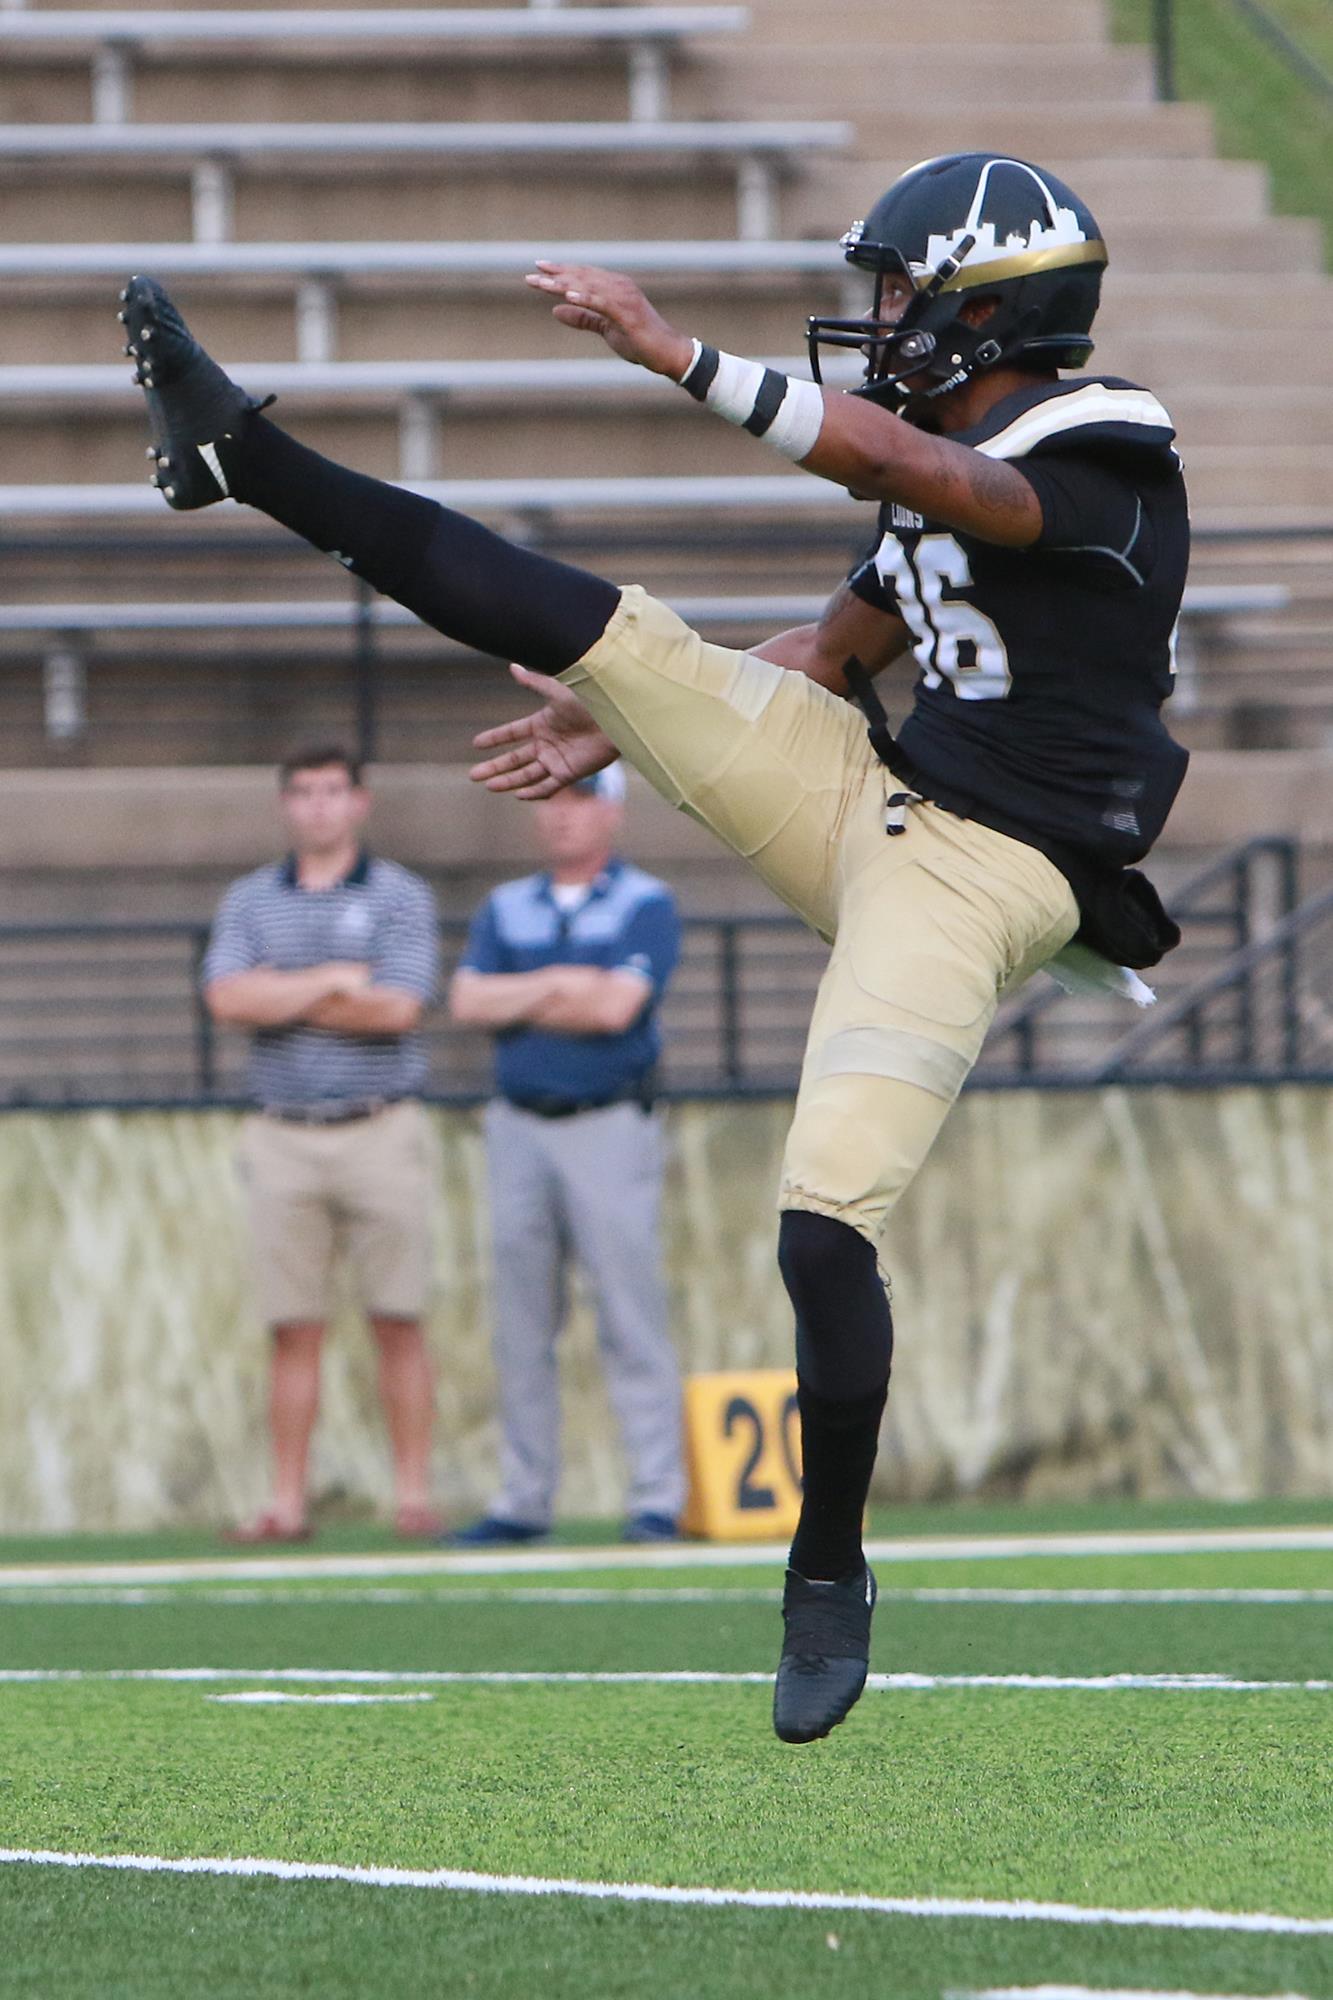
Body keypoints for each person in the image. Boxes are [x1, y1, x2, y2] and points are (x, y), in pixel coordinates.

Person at [120, 150, 1189, 1740]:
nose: (880, 317)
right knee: (597, 631)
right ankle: (243, 454)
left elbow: (933, 479)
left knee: (823, 1230)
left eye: (901, 291)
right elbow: (830, 654)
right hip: (870, 792)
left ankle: (826, 1567)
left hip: (986, 880)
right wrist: (615, 725)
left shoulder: (1092, 452)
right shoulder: (945, 466)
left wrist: (682, 356)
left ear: (989, 306)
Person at [202, 745, 443, 1543]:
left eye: (331, 792)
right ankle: (285, 1502)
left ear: (359, 802)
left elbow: (398, 1008)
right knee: (292, 1327)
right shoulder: (249, 899)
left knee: (397, 1317)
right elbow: (226, 996)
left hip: (380, 1125)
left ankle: (411, 1495)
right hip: (282, 1133)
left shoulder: (400, 894)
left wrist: (283, 994)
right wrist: (336, 978)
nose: (316, 807)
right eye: (301, 793)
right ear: (285, 805)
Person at [448, 761, 685, 1547]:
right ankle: (523, 1499)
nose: (562, 816)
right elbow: (466, 1002)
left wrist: (523, 994)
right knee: (520, 1323)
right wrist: (558, 982)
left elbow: (617, 1007)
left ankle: (656, 1495)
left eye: (580, 800)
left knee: (629, 1313)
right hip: (518, 1124)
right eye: (550, 801)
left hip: (606, 1125)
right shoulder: (506, 906)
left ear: (611, 814)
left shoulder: (645, 901)